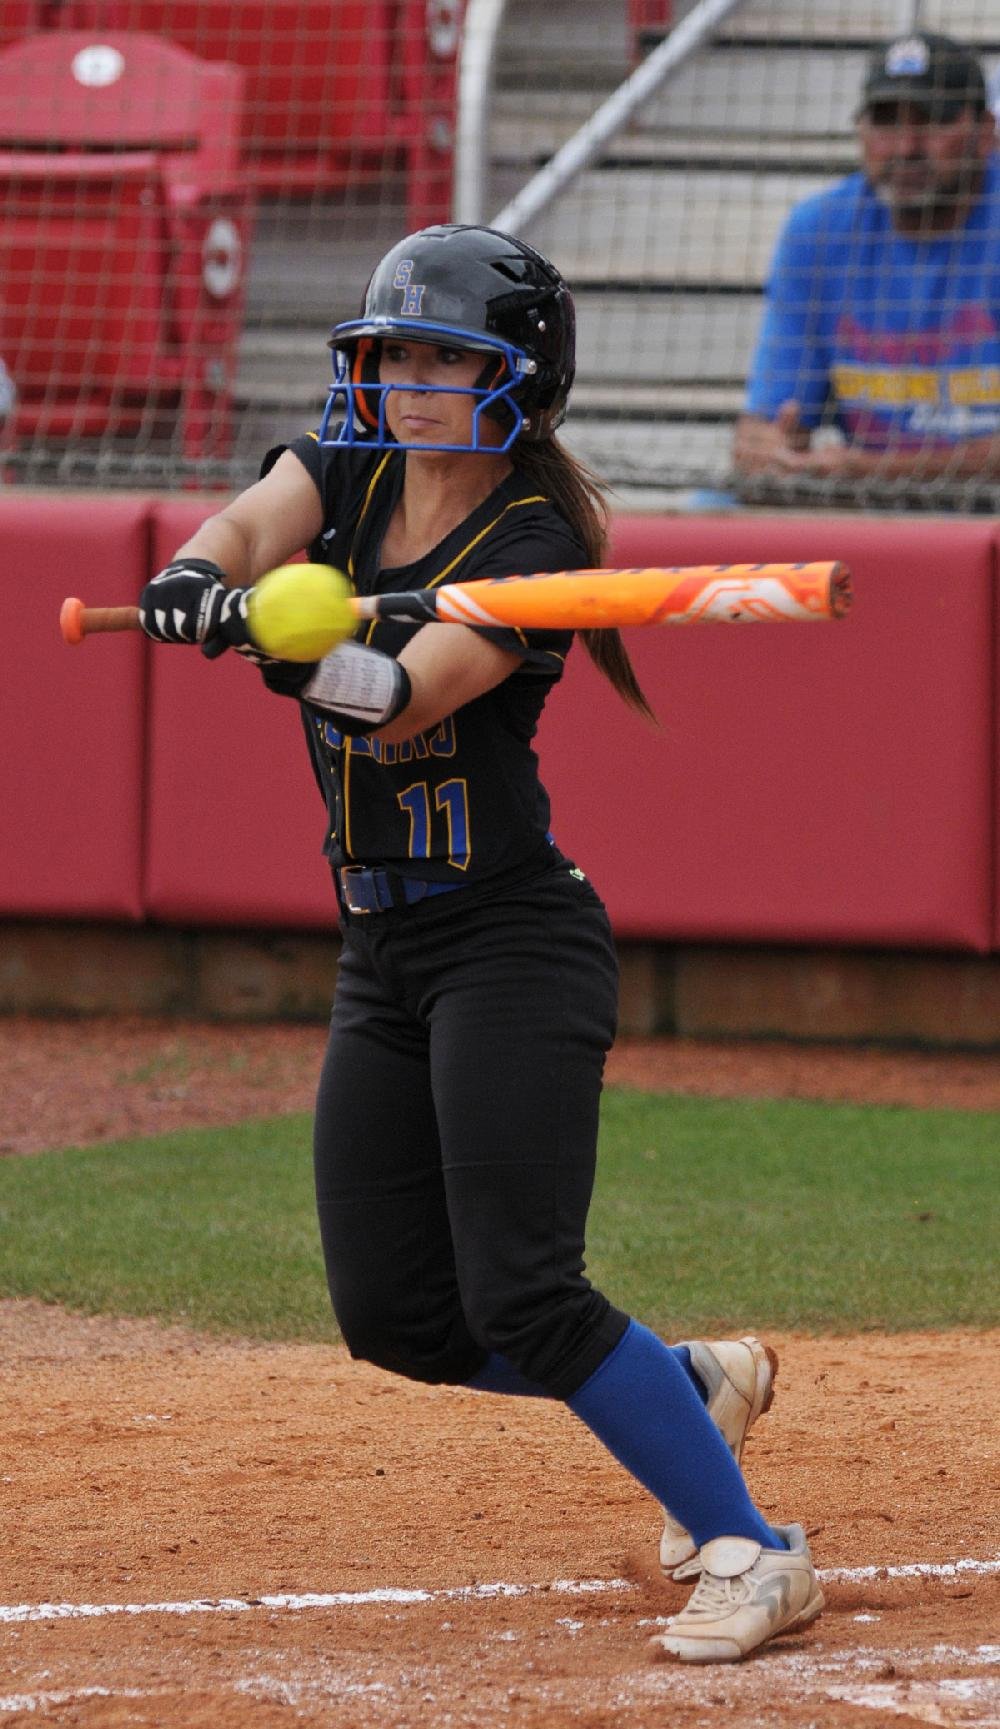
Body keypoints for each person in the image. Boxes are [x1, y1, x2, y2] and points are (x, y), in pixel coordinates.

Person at [136, 223, 823, 1664]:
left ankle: (755, 1553)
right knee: (398, 1313)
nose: (411, 381)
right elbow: (245, 525)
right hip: (379, 954)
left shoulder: (536, 538)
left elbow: (395, 694)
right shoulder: (343, 468)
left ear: (518, 380)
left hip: (511, 943)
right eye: (394, 354)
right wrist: (201, 579)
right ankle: (686, 1382)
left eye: (448, 357)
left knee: (525, 1286)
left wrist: (285, 647)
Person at [733, 31, 1000, 494]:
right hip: (865, 497)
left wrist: (880, 470)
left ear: (987, 133)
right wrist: (766, 446)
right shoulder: (817, 230)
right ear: (860, 131)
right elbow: (768, 419)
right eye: (885, 122)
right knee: (711, 507)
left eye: (934, 120)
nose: (906, 147)